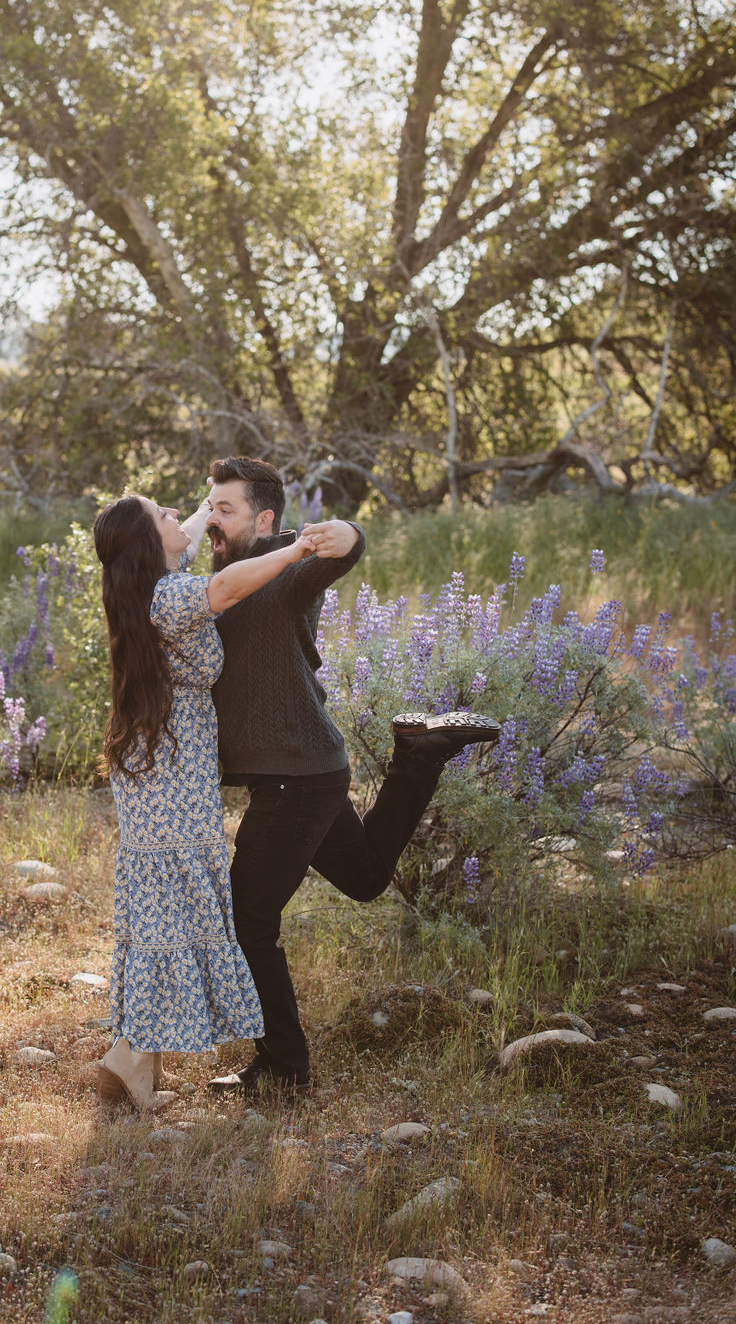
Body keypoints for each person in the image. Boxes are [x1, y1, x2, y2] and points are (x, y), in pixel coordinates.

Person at [202, 456, 501, 1098]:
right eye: (209, 504)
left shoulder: (284, 565)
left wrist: (346, 533)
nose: (211, 519)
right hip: (309, 769)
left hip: (296, 780)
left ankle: (283, 1068)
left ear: (265, 518)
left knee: (248, 919)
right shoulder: (225, 571)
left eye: (224, 509)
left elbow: (337, 552)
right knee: (367, 879)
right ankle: (418, 756)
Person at [91, 491, 317, 1111]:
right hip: (172, 785)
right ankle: (131, 1058)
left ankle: (131, 1062)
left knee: (162, 913)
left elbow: (182, 531)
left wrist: (206, 506)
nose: (184, 521)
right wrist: (295, 549)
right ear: (148, 543)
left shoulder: (147, 586)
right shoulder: (169, 596)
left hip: (158, 778)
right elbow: (230, 588)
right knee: (175, 911)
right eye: (166, 517)